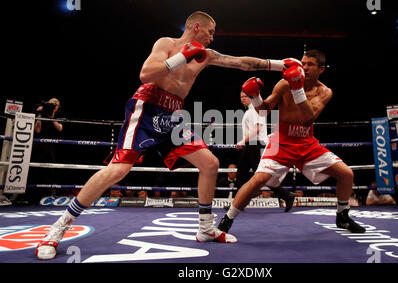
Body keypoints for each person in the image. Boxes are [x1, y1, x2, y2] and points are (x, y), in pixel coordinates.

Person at [36, 11, 295, 260]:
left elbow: (239, 62)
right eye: (210, 31)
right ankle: (56, 230)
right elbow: (146, 74)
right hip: (147, 108)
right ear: (196, 27)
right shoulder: (166, 44)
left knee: (210, 163)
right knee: (118, 170)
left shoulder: (205, 55)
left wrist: (279, 65)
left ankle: (205, 229)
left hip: (172, 116)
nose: (212, 37)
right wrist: (181, 57)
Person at [218, 49, 366, 237]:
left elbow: (308, 117)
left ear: (321, 69)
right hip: (282, 141)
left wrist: (297, 89)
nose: (303, 67)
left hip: (307, 142)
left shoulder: (325, 91)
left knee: (346, 174)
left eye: (309, 64)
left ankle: (342, 216)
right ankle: (227, 220)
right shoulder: (284, 84)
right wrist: (255, 96)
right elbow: (264, 111)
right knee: (258, 180)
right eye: (302, 63)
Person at [235, 90, 295, 210]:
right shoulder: (250, 111)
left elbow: (257, 129)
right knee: (241, 174)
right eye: (241, 96)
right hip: (251, 146)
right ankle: (237, 204)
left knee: (262, 176)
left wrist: (242, 141)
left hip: (256, 146)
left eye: (245, 96)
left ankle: (287, 195)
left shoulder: (255, 110)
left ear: (252, 97)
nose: (243, 99)